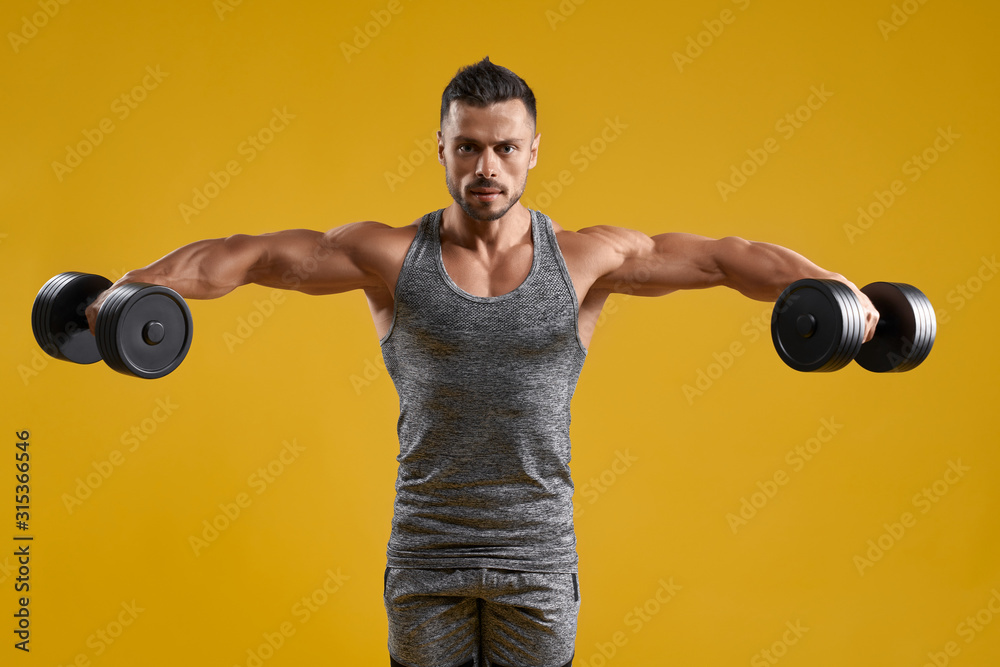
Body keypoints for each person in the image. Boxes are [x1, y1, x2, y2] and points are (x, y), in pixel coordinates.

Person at [86, 57, 878, 667]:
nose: (486, 167)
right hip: (425, 552)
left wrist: (831, 287)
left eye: (504, 147)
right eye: (468, 147)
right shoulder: (389, 256)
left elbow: (718, 259)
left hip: (537, 556)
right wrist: (132, 291)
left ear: (534, 150)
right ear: (441, 147)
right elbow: (250, 256)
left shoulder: (586, 259)